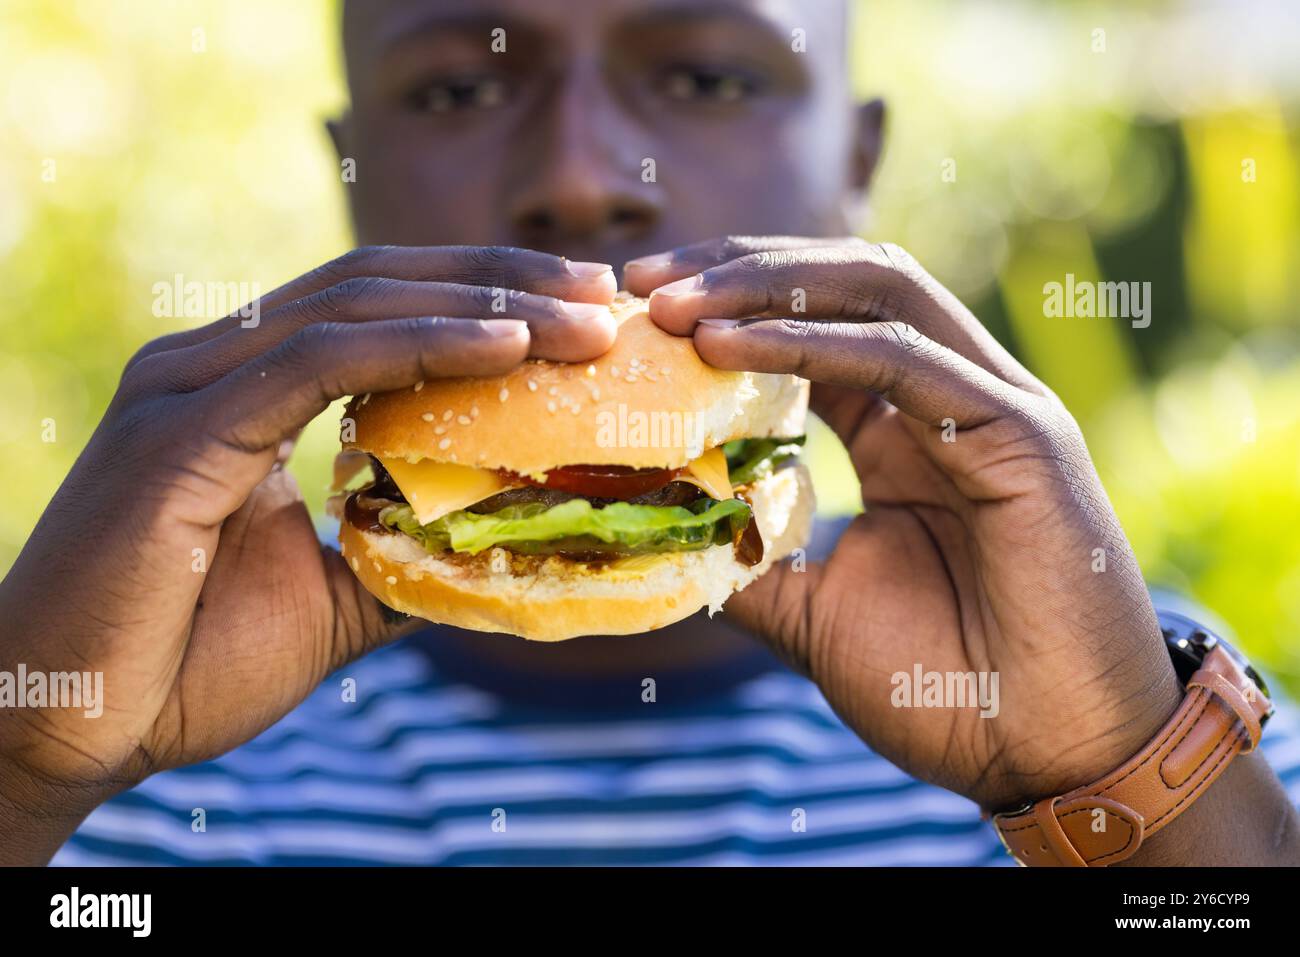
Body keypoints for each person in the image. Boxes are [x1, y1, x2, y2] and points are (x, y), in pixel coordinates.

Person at [3, 0, 1298, 866]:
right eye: (458, 88)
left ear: (854, 167)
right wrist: (29, 762)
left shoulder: (1160, 701)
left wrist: (1123, 786)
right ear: (352, 168)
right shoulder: (135, 771)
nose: (577, 171)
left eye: (706, 75)